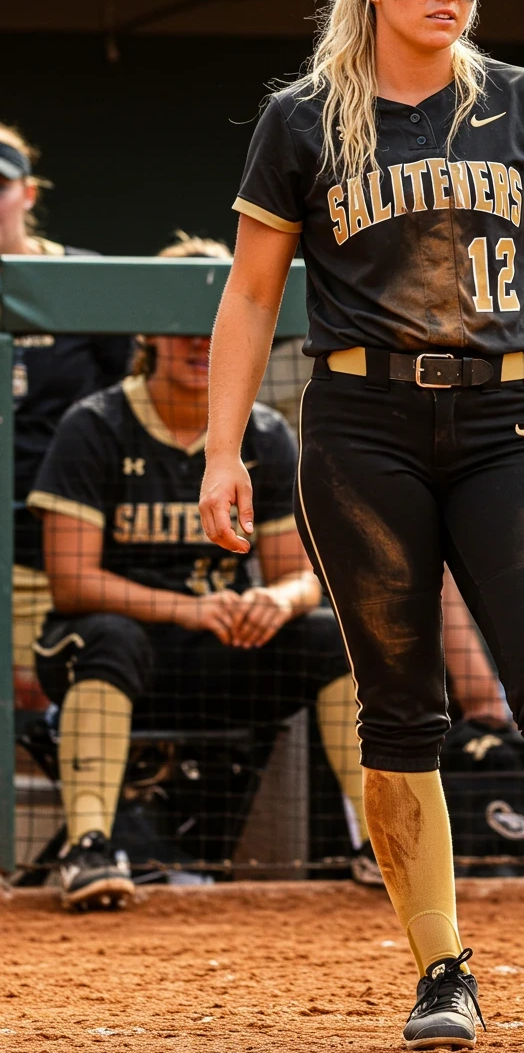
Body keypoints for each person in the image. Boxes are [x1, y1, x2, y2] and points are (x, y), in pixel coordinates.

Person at [199, 0, 524, 1052]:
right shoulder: (305, 116)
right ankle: (439, 969)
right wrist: (223, 448)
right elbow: (252, 293)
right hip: (358, 426)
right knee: (398, 705)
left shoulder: (520, 101)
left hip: (502, 419)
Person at [26, 238, 362, 910]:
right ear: (150, 330)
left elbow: (302, 577)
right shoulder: (94, 425)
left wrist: (278, 598)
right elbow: (69, 581)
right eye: (184, 324)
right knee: (107, 636)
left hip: (221, 656)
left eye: (218, 324)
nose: (202, 341)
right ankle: (89, 850)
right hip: (113, 658)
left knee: (332, 637)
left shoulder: (264, 435)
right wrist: (187, 610)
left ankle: (380, 842)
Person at [0, 123, 130, 706]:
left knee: (70, 684)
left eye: (1, 185)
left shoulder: (86, 279)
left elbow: (126, 403)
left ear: (28, 193)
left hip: (66, 540)